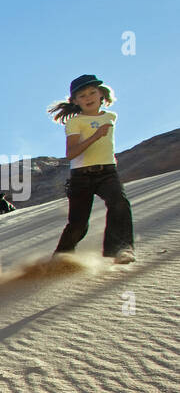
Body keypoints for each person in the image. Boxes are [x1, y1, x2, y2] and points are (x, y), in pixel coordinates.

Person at [48, 74, 135, 263]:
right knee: (78, 224)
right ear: (75, 101)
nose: (88, 98)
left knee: (119, 203)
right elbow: (71, 153)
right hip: (81, 177)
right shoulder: (75, 122)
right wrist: (96, 136)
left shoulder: (111, 117)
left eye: (92, 92)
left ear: (101, 94)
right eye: (82, 96)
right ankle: (60, 259)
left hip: (108, 172)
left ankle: (121, 249)